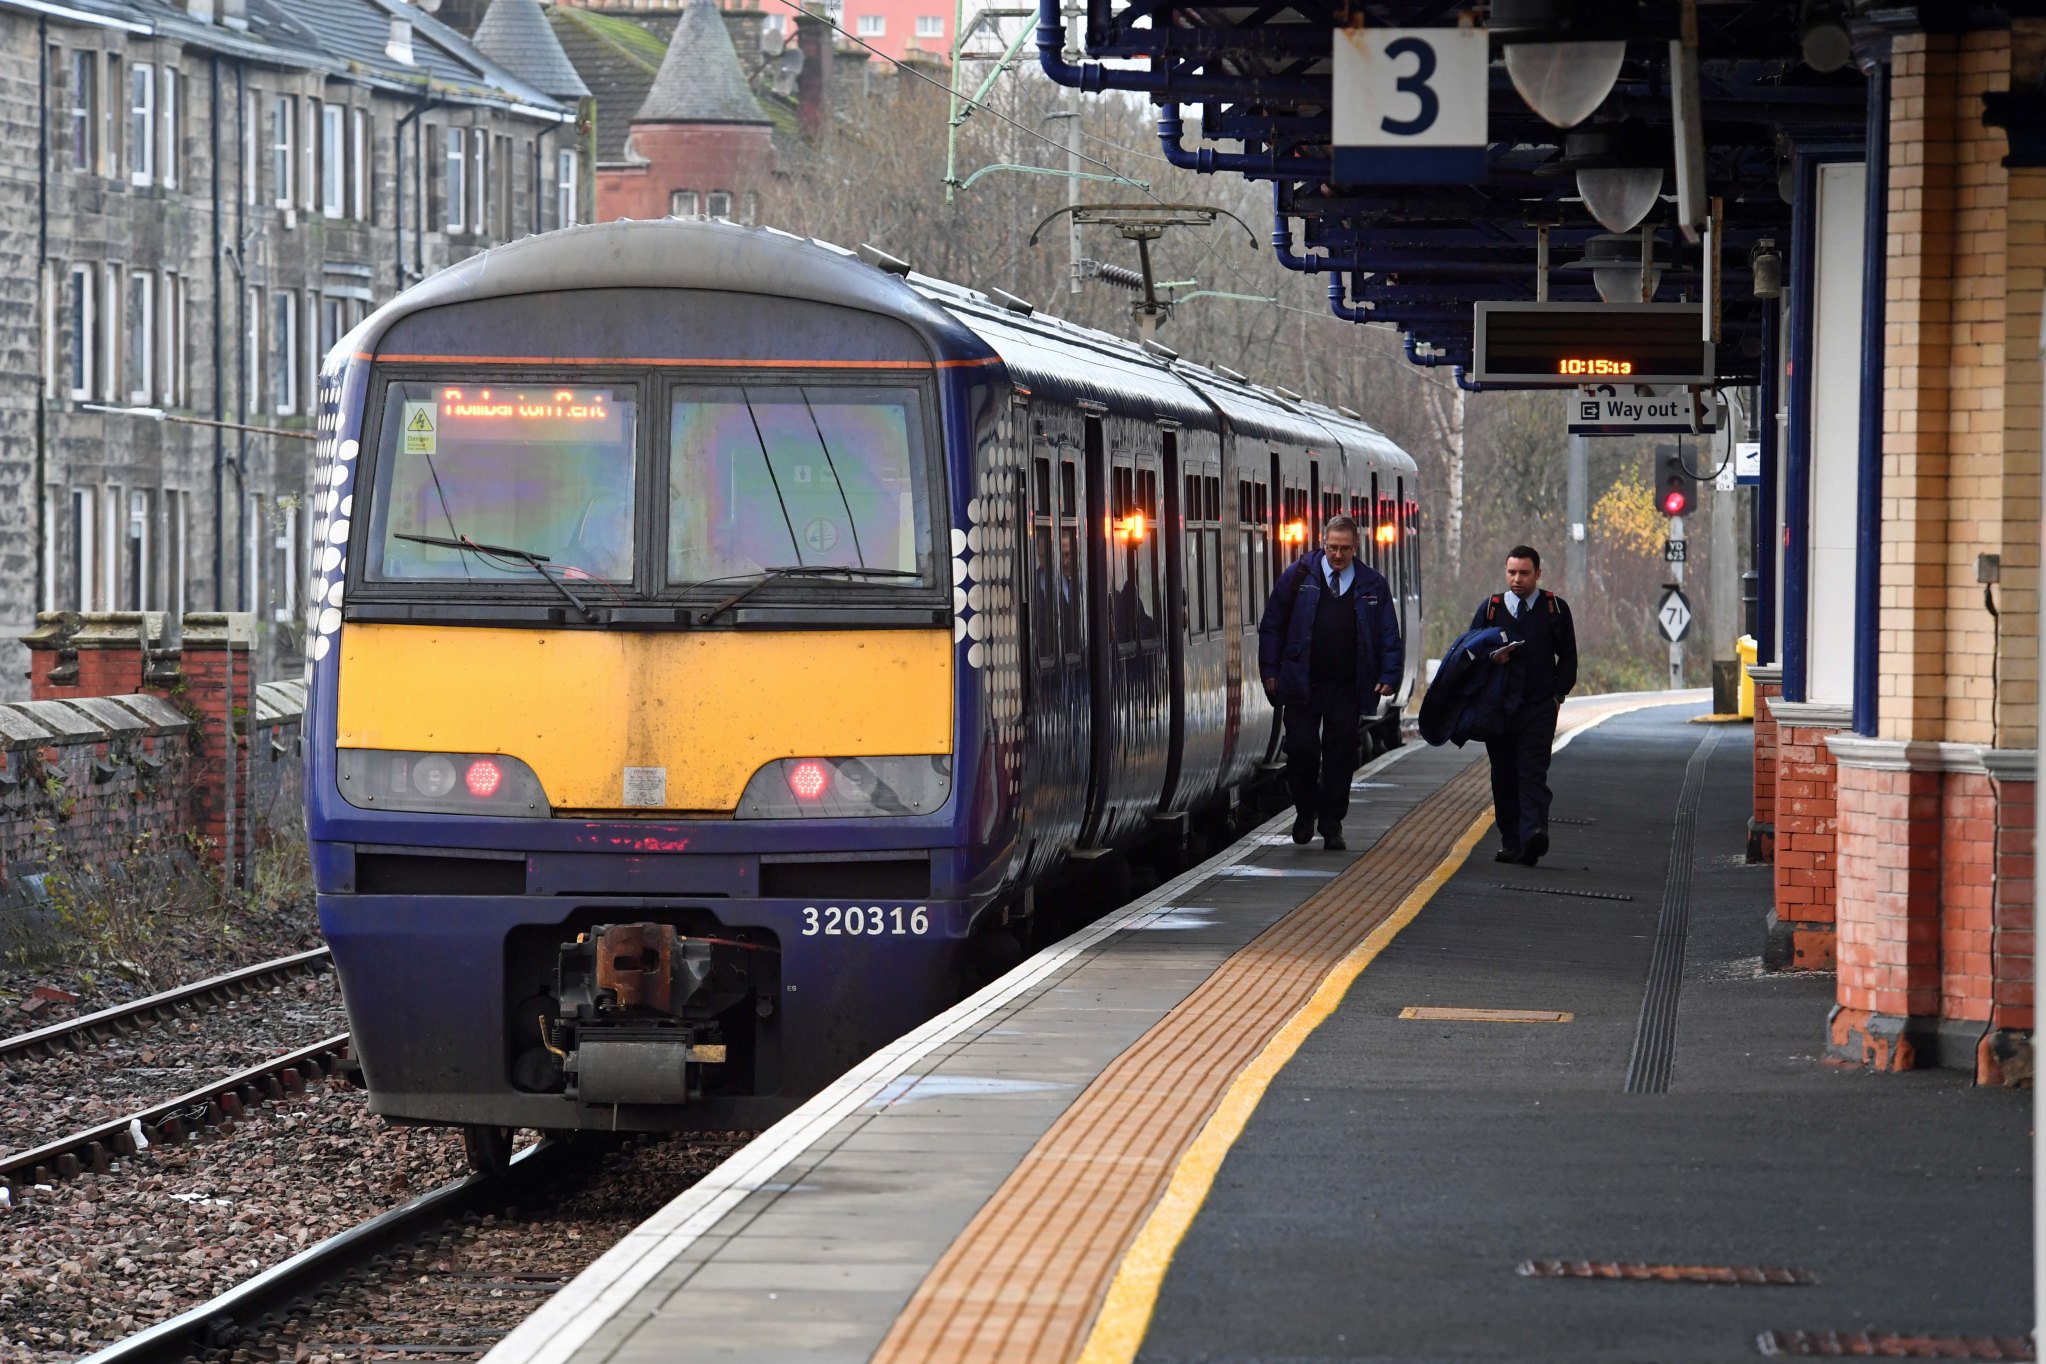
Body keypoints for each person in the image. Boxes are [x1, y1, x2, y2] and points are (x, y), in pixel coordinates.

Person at [1258, 515, 1404, 851]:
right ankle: (1305, 811)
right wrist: (1270, 671)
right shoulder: (1298, 577)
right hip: (1302, 683)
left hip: (1347, 685)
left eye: (1344, 549)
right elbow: (1272, 626)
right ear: (1323, 544)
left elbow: (1388, 634)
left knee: (1340, 755)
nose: (1337, 555)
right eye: (1332, 547)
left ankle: (1332, 822)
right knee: (1301, 750)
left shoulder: (1372, 584)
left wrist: (1389, 675)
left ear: (1356, 547)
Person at [1470, 544, 1578, 866]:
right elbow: (1469, 652)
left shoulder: (1554, 609)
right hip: (1499, 710)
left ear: (1538, 574)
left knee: (1532, 771)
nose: (1517, 579)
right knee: (1503, 775)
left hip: (1538, 708)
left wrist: (1558, 696)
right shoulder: (1491, 609)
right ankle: (1511, 842)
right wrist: (1492, 659)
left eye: (1524, 573)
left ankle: (1534, 833)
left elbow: (1568, 656)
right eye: (1512, 572)